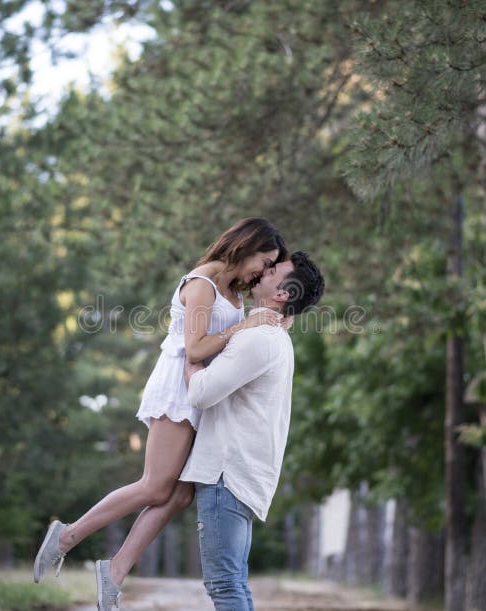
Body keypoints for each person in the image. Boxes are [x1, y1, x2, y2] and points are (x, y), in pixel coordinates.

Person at [33, 218, 288, 605]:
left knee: (180, 495)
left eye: (271, 267)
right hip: (179, 389)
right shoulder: (202, 284)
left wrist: (273, 319)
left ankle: (114, 571)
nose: (263, 272)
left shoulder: (235, 291)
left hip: (204, 392)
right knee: (155, 485)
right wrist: (245, 326)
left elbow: (241, 341)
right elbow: (197, 348)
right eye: (264, 261)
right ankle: (67, 536)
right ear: (245, 246)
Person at [84, 251, 324, 610]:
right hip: (243, 475)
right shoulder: (273, 335)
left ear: (283, 294)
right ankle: (115, 569)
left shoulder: (259, 337)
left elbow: (200, 393)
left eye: (274, 271)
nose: (264, 271)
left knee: (225, 585)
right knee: (234, 583)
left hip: (225, 475)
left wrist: (190, 355)